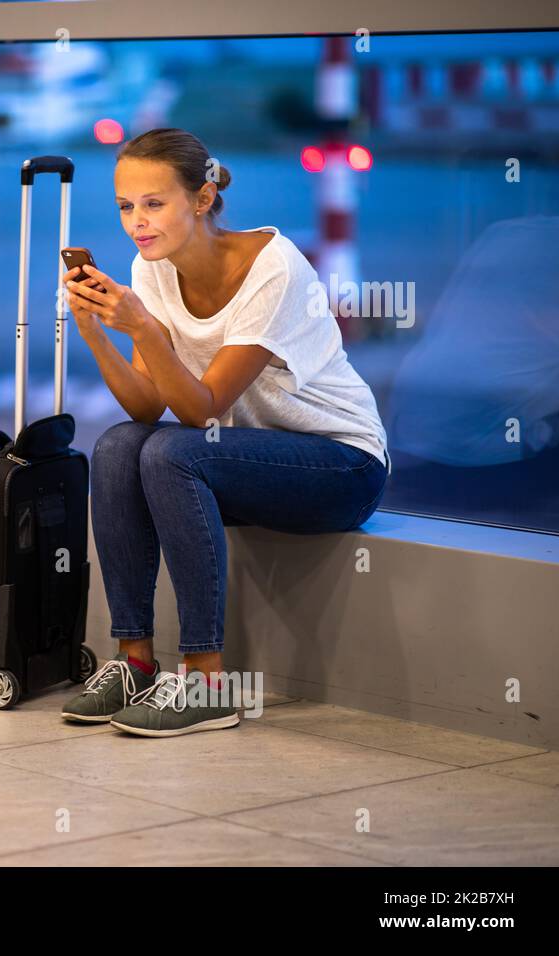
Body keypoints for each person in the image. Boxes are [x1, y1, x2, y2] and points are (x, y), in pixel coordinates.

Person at [59, 128, 390, 738]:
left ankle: (208, 682)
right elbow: (145, 407)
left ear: (203, 199)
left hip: (340, 465)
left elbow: (202, 412)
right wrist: (98, 330)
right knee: (115, 446)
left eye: (154, 204)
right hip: (236, 461)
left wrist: (145, 330)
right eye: (126, 206)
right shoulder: (150, 267)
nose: (138, 222)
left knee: (170, 453)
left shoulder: (275, 268)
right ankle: (133, 662)